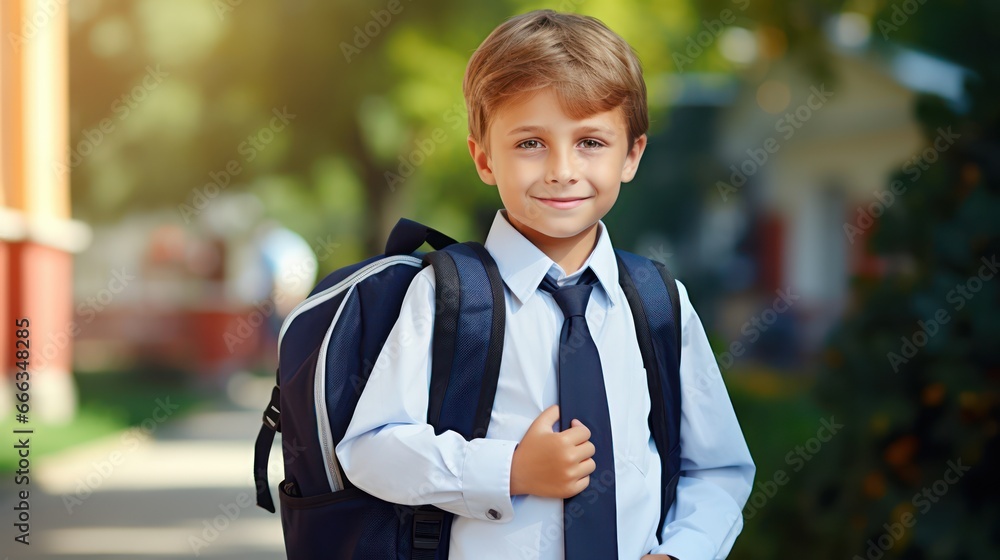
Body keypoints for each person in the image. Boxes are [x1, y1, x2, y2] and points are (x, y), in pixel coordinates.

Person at [335, 9, 754, 559]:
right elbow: (370, 447)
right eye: (531, 143)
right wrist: (509, 469)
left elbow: (718, 467)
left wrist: (683, 551)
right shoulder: (449, 298)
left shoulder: (658, 302)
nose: (562, 169)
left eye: (591, 143)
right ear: (484, 157)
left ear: (632, 154)